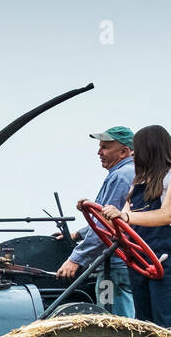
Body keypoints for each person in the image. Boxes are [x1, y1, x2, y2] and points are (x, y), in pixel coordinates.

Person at [100, 125, 171, 337]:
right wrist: (112, 218)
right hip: (142, 258)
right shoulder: (141, 180)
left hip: (170, 259)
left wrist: (124, 217)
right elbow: (127, 209)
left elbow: (167, 215)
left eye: (138, 149)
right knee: (146, 325)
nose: (134, 155)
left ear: (150, 149)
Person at [56, 126, 136, 316]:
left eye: (105, 147)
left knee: (114, 322)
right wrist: (78, 234)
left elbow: (107, 226)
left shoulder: (121, 176)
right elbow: (105, 219)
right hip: (120, 264)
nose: (99, 152)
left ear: (124, 151)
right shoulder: (126, 173)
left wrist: (76, 259)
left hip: (113, 267)